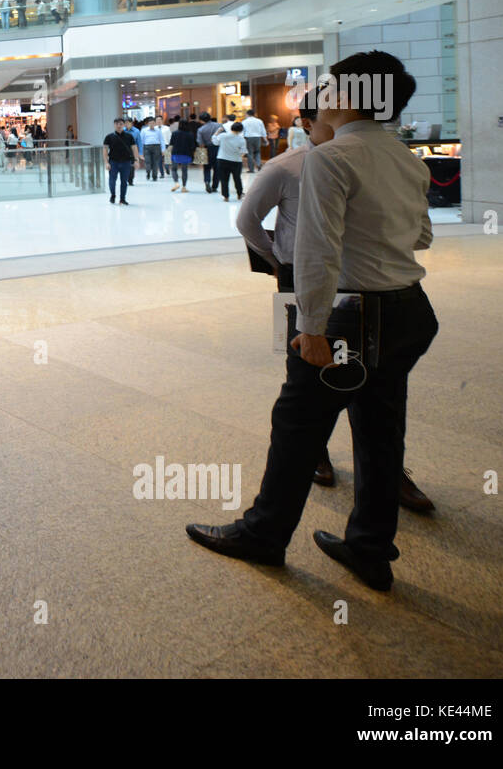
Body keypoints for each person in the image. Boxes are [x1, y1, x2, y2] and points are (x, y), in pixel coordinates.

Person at [187, 51, 439, 591]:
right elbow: (421, 238)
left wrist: (314, 327)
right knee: (380, 428)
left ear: (348, 97)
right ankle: (370, 549)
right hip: (409, 310)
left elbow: (318, 250)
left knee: (298, 424)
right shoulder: (408, 160)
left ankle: (262, 535)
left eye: (327, 87)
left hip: (350, 316)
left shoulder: (329, 158)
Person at [236, 107, 435, 512]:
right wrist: (277, 261)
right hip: (300, 281)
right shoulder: (287, 166)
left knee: (367, 390)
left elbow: (420, 233)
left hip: (359, 287)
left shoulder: (377, 157)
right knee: (305, 377)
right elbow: (247, 221)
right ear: (308, 123)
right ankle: (319, 455)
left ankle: (383, 476)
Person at [103, 118, 142, 205]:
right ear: (114, 125)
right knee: (112, 180)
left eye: (121, 124)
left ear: (124, 125)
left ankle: (122, 198)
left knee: (124, 181)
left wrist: (136, 160)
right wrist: (106, 162)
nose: (119, 125)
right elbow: (105, 150)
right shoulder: (109, 137)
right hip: (113, 162)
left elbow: (134, 148)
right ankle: (113, 195)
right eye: (117, 124)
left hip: (126, 162)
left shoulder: (129, 136)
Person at [215, 120, 248, 201]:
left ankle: (226, 197)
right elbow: (243, 152)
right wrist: (238, 156)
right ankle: (239, 194)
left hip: (222, 159)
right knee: (237, 178)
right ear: (241, 130)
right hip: (236, 161)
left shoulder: (223, 136)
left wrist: (217, 132)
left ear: (231, 128)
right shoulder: (242, 139)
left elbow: (215, 142)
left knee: (224, 179)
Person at [197, 112, 223, 193]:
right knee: (217, 168)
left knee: (207, 168)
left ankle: (207, 181)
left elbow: (200, 143)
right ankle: (215, 186)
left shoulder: (201, 129)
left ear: (201, 120)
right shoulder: (219, 125)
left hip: (207, 148)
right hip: (218, 148)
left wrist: (202, 153)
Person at [169, 119, 197, 191]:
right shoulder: (190, 134)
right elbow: (193, 146)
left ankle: (176, 183)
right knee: (184, 170)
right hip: (186, 154)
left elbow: (171, 144)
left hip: (176, 153)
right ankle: (184, 187)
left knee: (174, 169)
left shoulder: (174, 133)